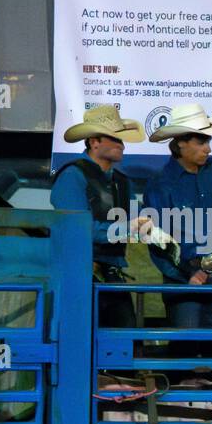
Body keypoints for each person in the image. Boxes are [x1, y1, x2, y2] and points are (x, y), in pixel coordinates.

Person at [144, 104, 212, 363]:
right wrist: (190, 271)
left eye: (207, 142)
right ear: (180, 144)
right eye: (201, 142)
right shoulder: (160, 184)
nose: (208, 149)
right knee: (186, 349)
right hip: (182, 281)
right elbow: (157, 238)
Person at [49, 104, 152, 327]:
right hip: (79, 273)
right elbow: (76, 229)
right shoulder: (72, 176)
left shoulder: (122, 182)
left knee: (122, 341)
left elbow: (133, 219)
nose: (122, 145)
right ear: (94, 141)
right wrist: (129, 229)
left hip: (110, 273)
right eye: (115, 139)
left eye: (121, 139)